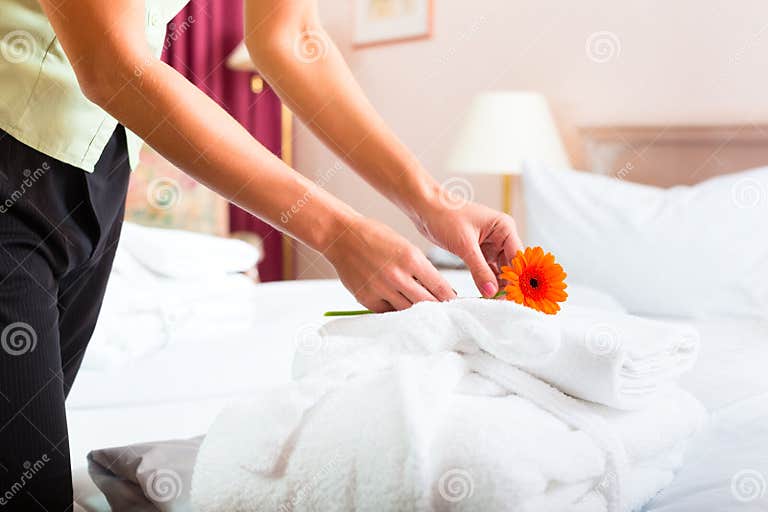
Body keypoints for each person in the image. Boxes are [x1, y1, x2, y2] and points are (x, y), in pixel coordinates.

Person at [0, 0, 523, 508]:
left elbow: (290, 37)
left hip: (100, 170)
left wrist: (431, 202)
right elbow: (113, 65)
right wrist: (339, 233)